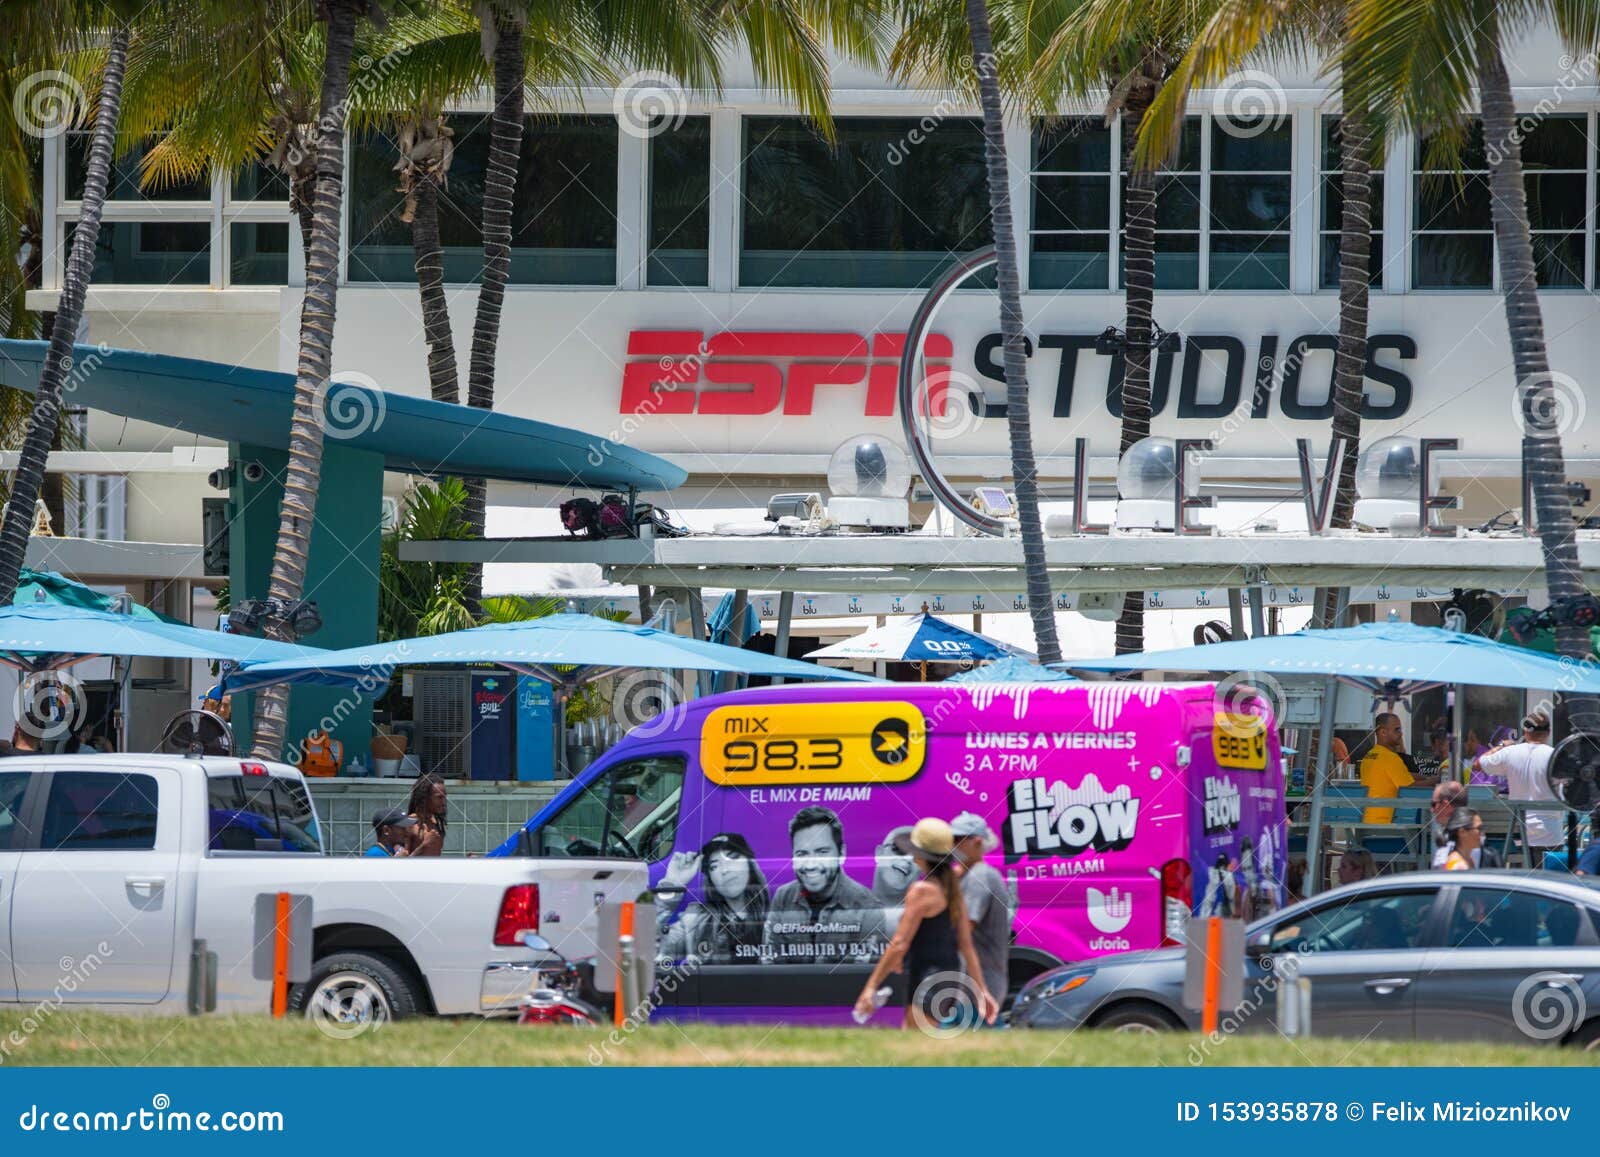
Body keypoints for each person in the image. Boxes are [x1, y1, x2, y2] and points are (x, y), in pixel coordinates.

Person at [854, 818, 998, 1032]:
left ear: (917, 853)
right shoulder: (952, 890)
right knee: (915, 1044)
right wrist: (982, 990)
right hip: (947, 976)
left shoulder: (921, 891)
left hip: (927, 978)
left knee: (915, 1051)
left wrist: (871, 986)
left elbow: (900, 943)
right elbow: (966, 946)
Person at [763, 805, 886, 964]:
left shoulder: (869, 906)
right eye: (802, 854)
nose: (810, 865)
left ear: (841, 854)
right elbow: (770, 964)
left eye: (822, 852)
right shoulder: (782, 897)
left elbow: (864, 976)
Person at [656, 832, 771, 964]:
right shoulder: (695, 919)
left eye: (733, 858)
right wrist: (672, 884)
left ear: (750, 864)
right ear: (710, 878)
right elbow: (648, 947)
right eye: (714, 866)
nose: (725, 870)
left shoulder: (778, 914)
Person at [1473, 709, 1561, 867]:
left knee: (1522, 883)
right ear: (1548, 732)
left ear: (1525, 732)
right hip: (1551, 833)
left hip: (1520, 831)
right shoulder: (1556, 757)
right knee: (1548, 885)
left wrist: (1500, 745)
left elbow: (1478, 764)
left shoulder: (1510, 752)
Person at [950, 812, 1011, 1011]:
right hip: (972, 983)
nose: (952, 845)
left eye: (958, 839)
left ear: (977, 842)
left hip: (980, 984)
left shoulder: (980, 876)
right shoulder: (969, 874)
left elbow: (963, 928)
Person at [1359, 712, 1437, 825]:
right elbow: (1410, 788)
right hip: (1386, 824)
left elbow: (1396, 776)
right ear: (1383, 732)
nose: (1401, 734)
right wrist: (1436, 780)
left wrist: (1424, 777)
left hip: (1366, 823)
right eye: (1397, 730)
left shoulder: (1369, 755)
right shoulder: (1390, 758)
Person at [872, 825, 918, 905]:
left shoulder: (934, 914)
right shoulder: (850, 908)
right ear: (879, 853)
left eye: (918, 855)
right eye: (899, 848)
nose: (908, 859)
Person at [406, 772, 447, 856]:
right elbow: (399, 864)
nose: (444, 802)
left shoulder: (435, 823)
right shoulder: (409, 823)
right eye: (439, 797)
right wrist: (424, 846)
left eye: (444, 797)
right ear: (425, 798)